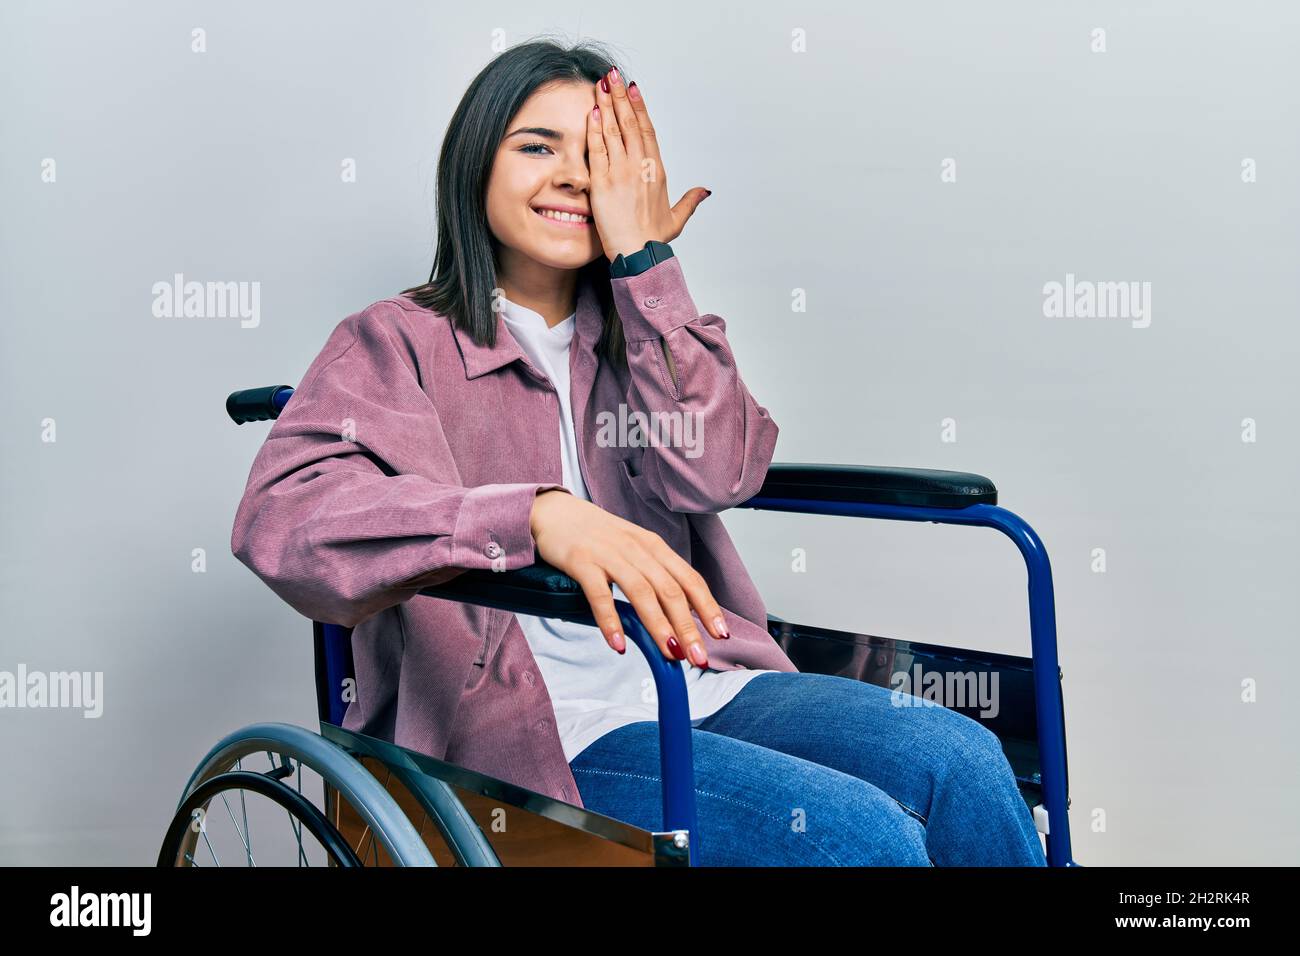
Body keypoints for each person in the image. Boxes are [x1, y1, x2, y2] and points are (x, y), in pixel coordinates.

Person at [231, 38, 1045, 866]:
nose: (574, 176)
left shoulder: (644, 335)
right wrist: (536, 517)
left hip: (702, 680)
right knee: (853, 834)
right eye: (537, 147)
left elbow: (722, 470)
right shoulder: (396, 342)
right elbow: (283, 523)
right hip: (526, 730)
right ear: (474, 162)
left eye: (598, 156)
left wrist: (646, 266)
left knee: (963, 762)